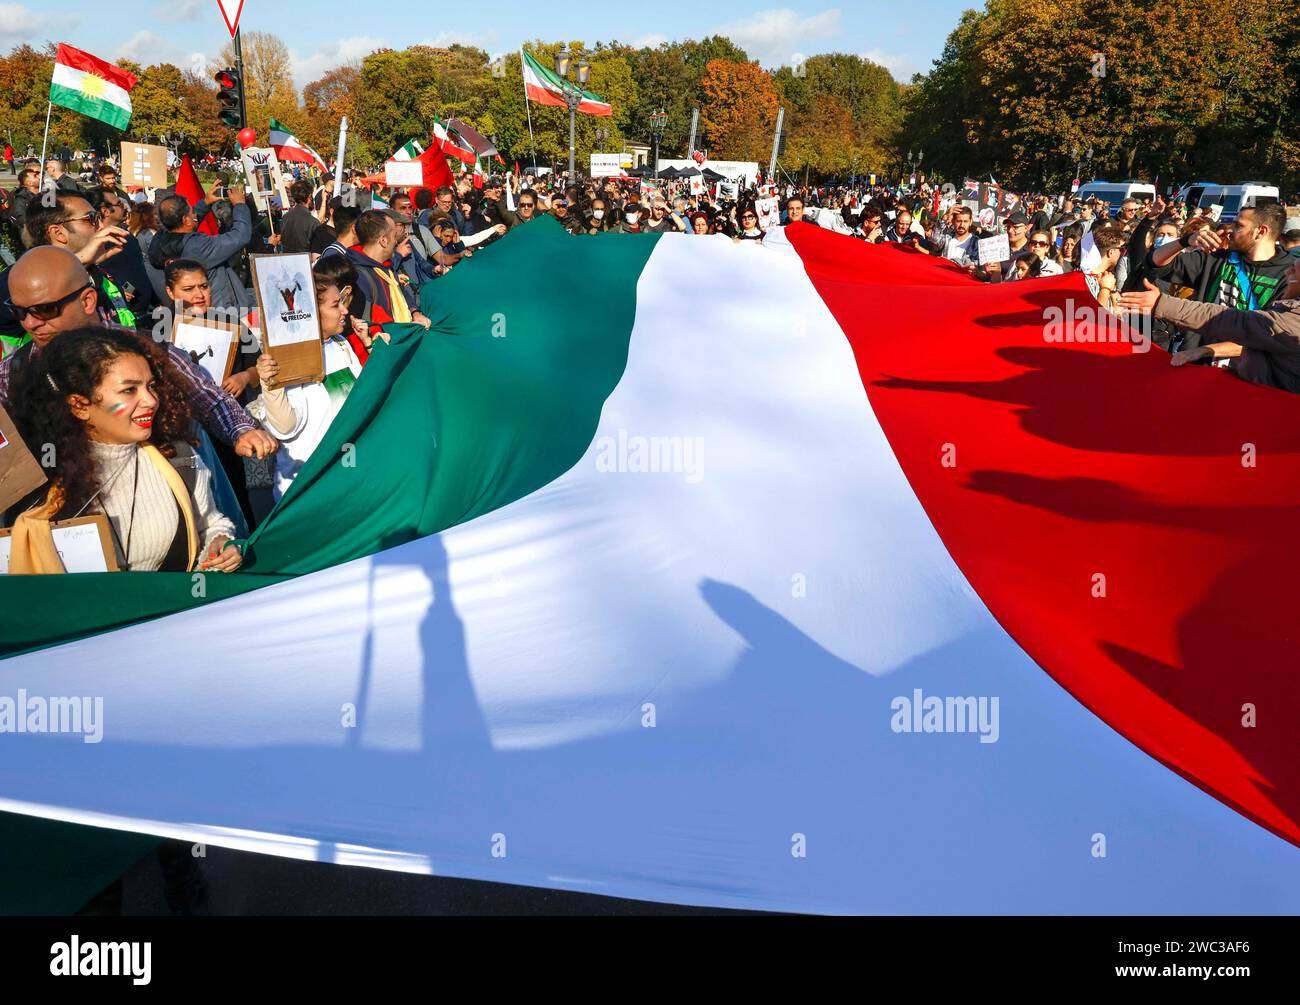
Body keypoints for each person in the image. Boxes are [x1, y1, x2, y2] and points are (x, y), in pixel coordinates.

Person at [0, 247, 276, 461]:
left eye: (45, 310)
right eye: (19, 312)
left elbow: (206, 395)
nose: (31, 323)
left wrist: (241, 431)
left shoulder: (144, 348)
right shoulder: (13, 371)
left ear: (87, 300)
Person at [7, 326, 242, 573]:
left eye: (150, 386)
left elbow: (209, 525)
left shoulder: (178, 457)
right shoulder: (35, 483)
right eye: (129, 390)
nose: (151, 400)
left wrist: (220, 542)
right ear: (79, 406)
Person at [253, 259, 368, 499]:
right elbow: (285, 427)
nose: (345, 311)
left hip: (349, 474)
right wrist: (270, 384)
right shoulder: (289, 357)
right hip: (310, 492)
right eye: (336, 305)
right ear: (312, 313)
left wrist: (373, 349)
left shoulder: (341, 344)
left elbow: (362, 401)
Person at [1117, 263, 1300, 393]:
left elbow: (1235, 322)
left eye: (1295, 270)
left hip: (1272, 410)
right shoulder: (1287, 310)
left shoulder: (1292, 321)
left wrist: (1161, 304)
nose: (1287, 272)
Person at [1144, 203, 1292, 350]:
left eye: (1238, 226)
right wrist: (1185, 241)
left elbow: (1269, 335)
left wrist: (1206, 352)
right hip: (1198, 365)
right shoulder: (1216, 259)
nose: (1230, 230)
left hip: (1246, 370)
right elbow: (1156, 261)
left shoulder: (1290, 274)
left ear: (1260, 232)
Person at [147, 187, 254, 315]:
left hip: (187, 309)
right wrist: (240, 205)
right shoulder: (198, 246)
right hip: (221, 311)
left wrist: (205, 202)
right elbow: (240, 236)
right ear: (185, 220)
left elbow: (184, 227)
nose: (195, 216)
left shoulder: (158, 240)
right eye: (192, 213)